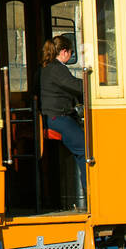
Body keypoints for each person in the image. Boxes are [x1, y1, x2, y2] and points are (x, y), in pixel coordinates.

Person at [38, 34, 88, 210]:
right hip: (57, 117)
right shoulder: (57, 69)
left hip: (53, 116)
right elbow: (74, 85)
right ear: (64, 51)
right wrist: (92, 85)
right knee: (85, 149)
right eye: (71, 52)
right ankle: (90, 195)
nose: (70, 55)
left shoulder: (49, 68)